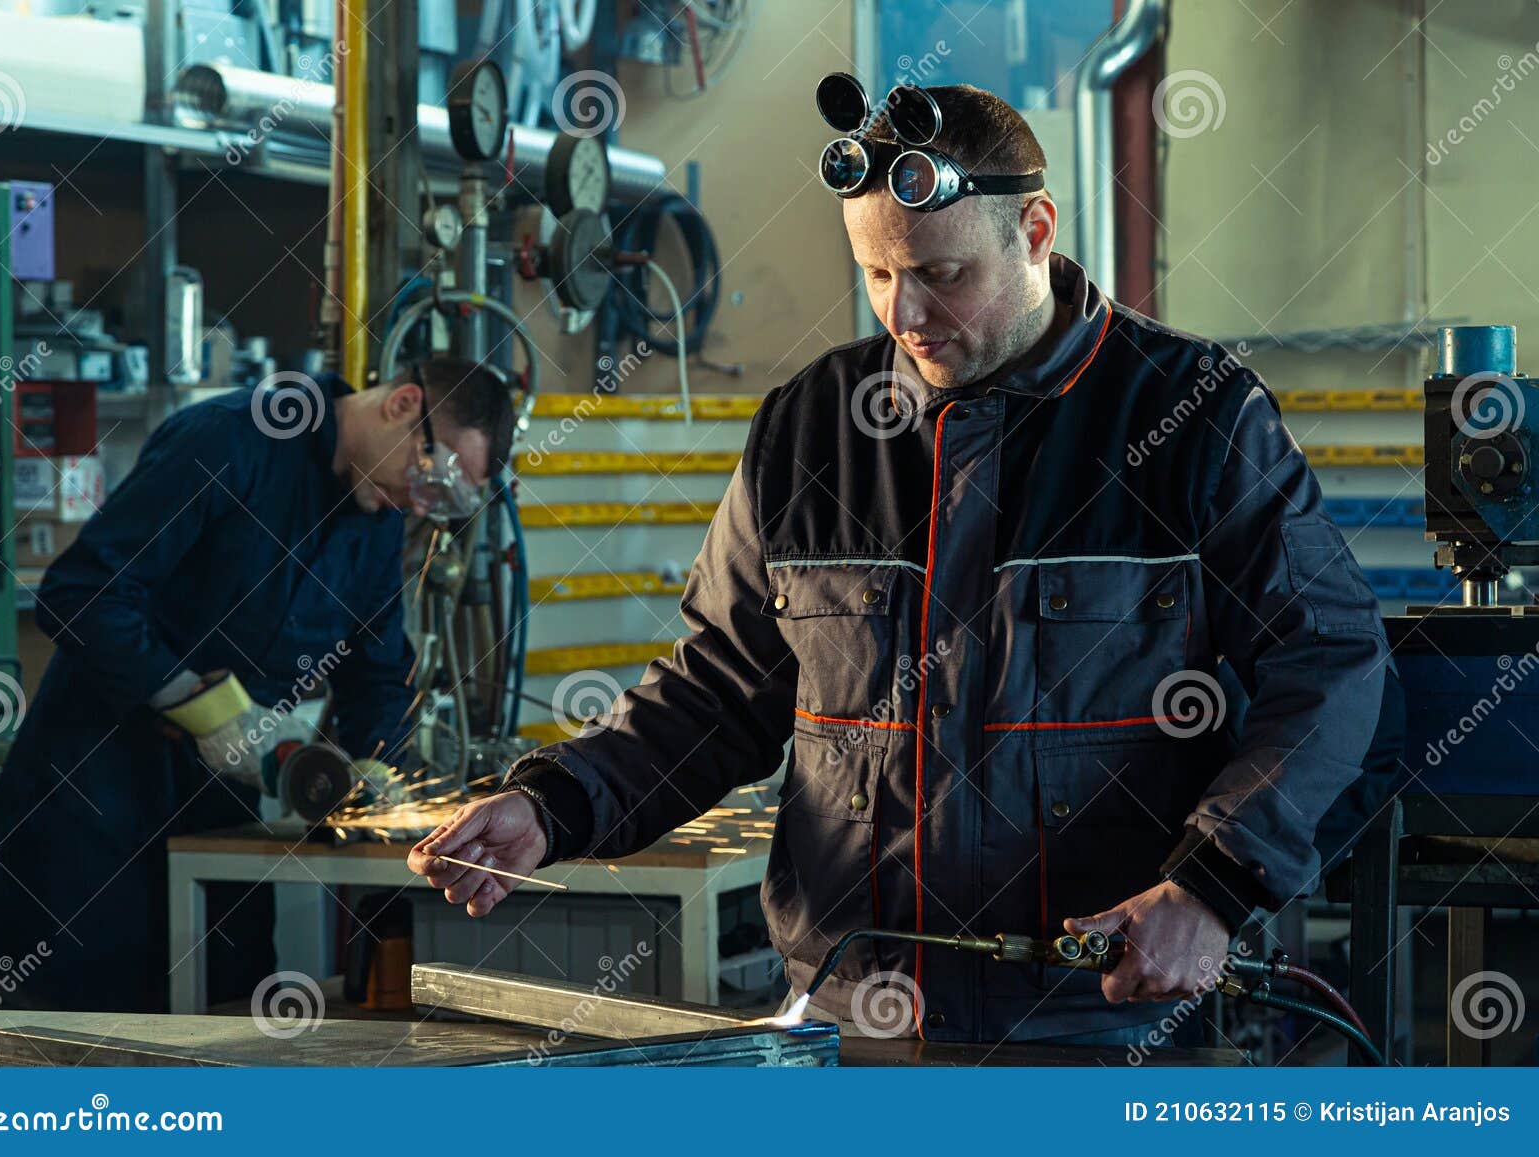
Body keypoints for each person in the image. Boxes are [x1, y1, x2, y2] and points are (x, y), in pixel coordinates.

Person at [408, 85, 1401, 1045]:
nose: (905, 311)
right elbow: (719, 688)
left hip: (1096, 1019)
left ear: (1037, 232)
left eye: (942, 272)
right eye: (878, 274)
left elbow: (1329, 662)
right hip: (852, 1022)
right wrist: (557, 802)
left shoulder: (1190, 415)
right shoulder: (810, 425)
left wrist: (1213, 884)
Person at [0, 357, 514, 1012]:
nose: (421, 500)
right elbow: (82, 593)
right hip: (92, 794)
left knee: (237, 1008)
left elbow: (380, 668)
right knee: (81, 1034)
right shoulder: (230, 440)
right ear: (401, 404)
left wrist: (376, 771)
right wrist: (196, 702)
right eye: (431, 475)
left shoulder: (376, 519)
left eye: (443, 498)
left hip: (220, 811)